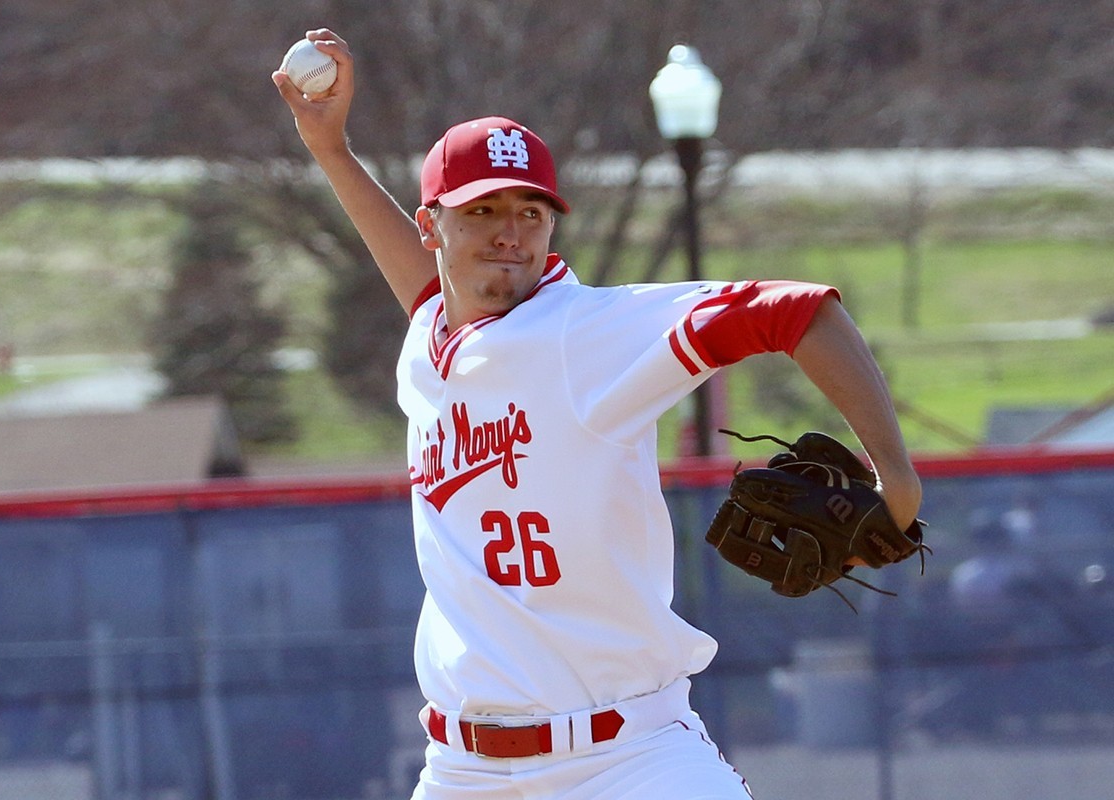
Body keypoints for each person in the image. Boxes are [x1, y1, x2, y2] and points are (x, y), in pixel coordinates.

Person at [273, 29, 922, 800]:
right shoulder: (432, 336)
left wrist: (896, 474)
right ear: (432, 225)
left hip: (629, 762)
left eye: (531, 211)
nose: (511, 233)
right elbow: (429, 292)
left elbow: (799, 313)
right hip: (462, 772)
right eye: (482, 211)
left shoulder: (588, 334)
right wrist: (331, 149)